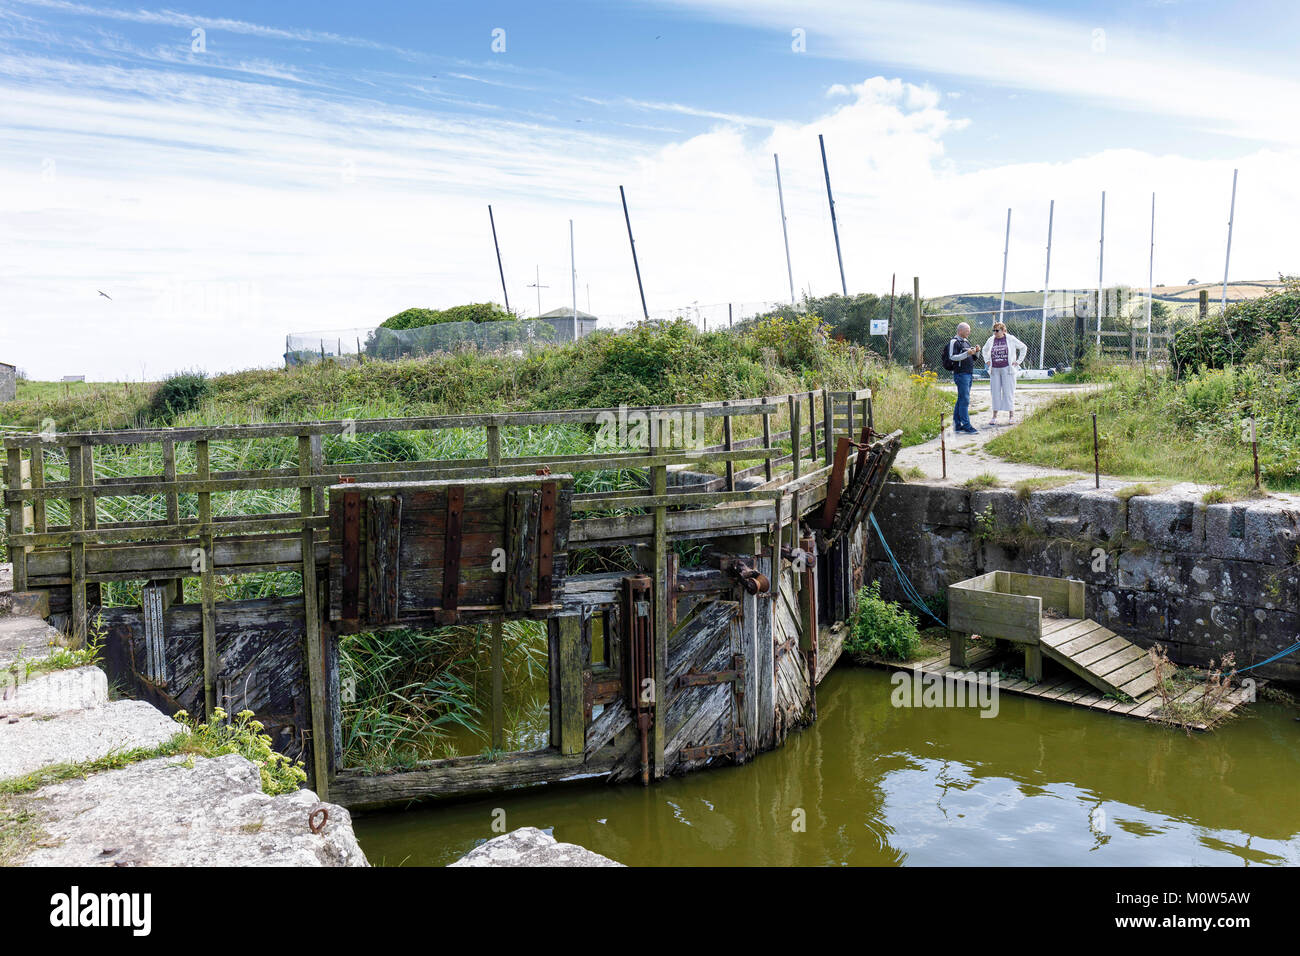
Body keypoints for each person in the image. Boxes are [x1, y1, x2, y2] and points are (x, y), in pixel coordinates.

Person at [980, 321, 1029, 424]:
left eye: (997, 330)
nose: (995, 333)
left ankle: (1011, 416)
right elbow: (984, 350)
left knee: (1008, 392)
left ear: (1003, 331)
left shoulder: (1010, 338)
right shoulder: (991, 339)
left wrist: (1018, 361)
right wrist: (987, 361)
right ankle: (994, 416)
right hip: (995, 370)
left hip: (1008, 369)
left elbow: (1023, 347)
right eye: (994, 330)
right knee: (995, 392)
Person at [947, 322, 980, 434]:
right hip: (961, 374)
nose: (969, 332)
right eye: (967, 330)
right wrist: (967, 354)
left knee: (961, 399)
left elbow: (974, 357)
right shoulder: (954, 342)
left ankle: (957, 425)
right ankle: (966, 425)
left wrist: (976, 352)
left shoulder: (966, 342)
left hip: (968, 373)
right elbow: (952, 357)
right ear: (960, 330)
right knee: (965, 400)